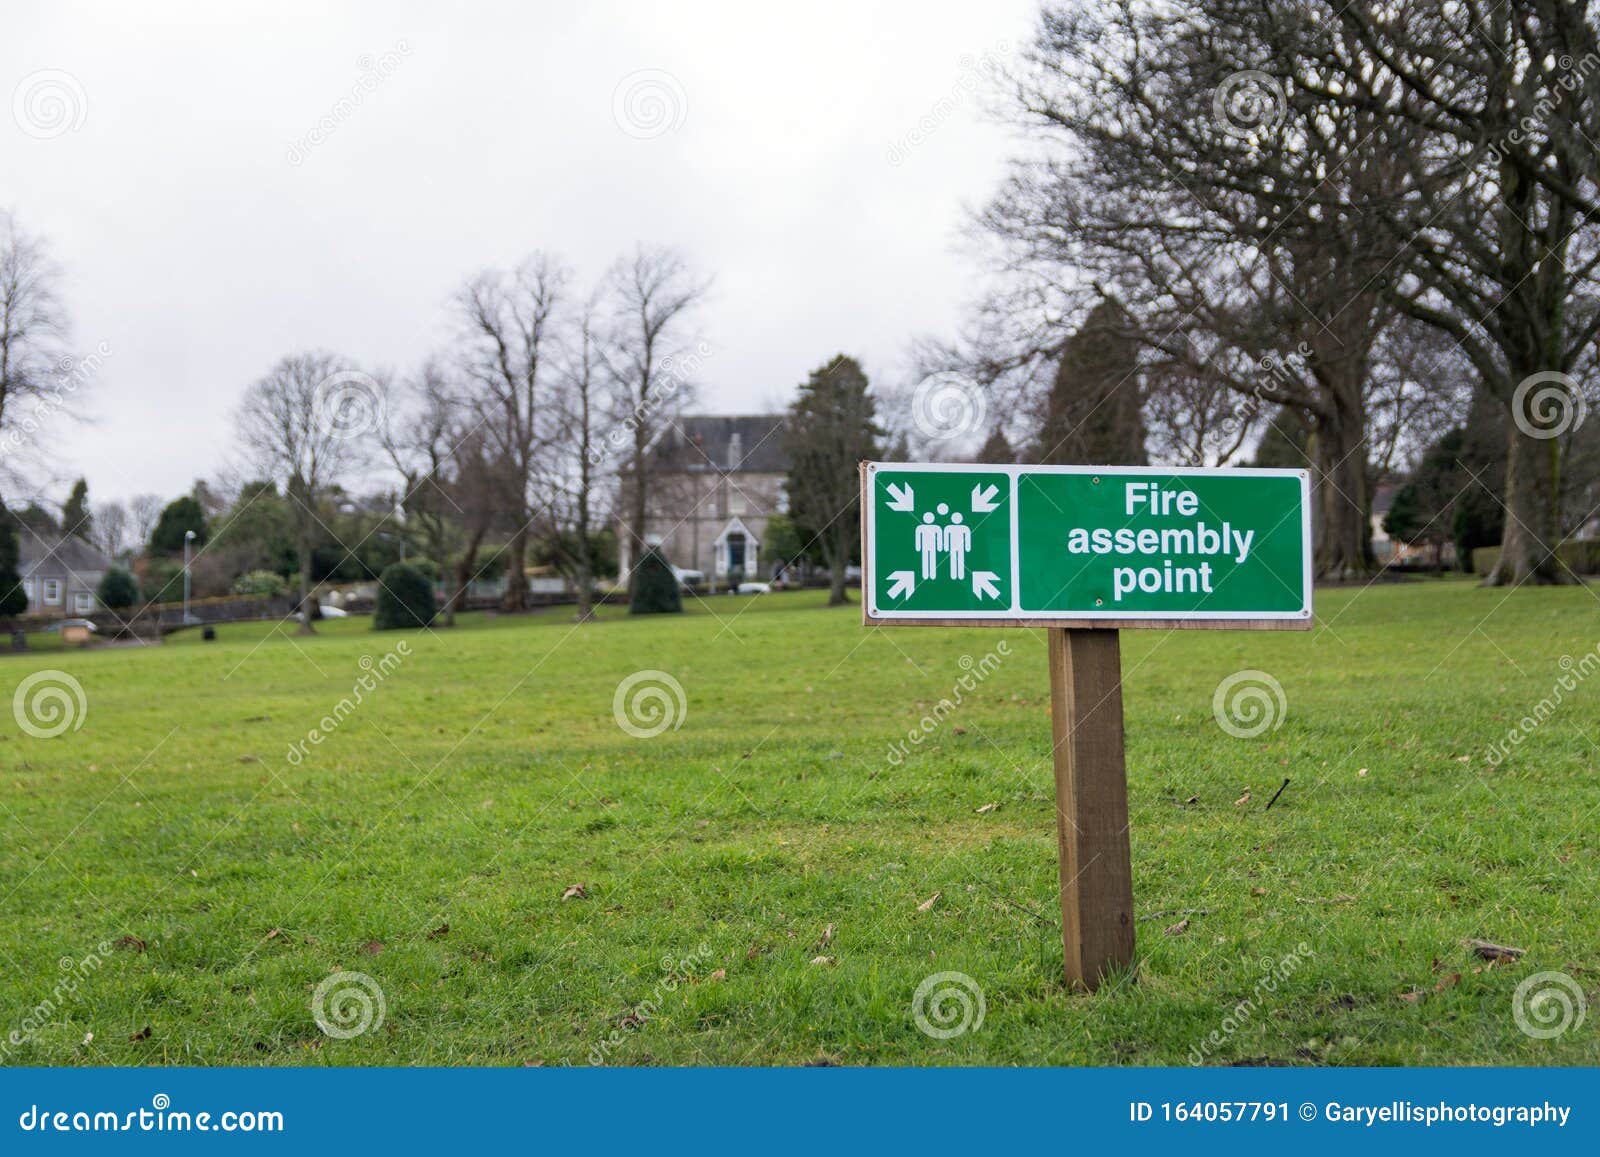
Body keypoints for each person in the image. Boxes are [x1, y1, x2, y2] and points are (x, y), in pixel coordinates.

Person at [943, 512, 971, 580]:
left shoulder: (965, 528)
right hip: (952, 547)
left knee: (961, 560)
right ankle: (953, 574)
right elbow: (946, 538)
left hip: (960, 547)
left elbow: (967, 538)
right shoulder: (948, 528)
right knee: (953, 559)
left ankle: (961, 575)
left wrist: (967, 547)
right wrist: (946, 547)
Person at [914, 512, 941, 580]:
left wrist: (939, 547)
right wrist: (918, 547)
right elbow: (918, 538)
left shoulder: (936, 527)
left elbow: (939, 537)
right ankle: (925, 575)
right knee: (925, 560)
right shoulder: (920, 527)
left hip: (933, 547)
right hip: (924, 547)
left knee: (932, 559)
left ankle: (932, 574)